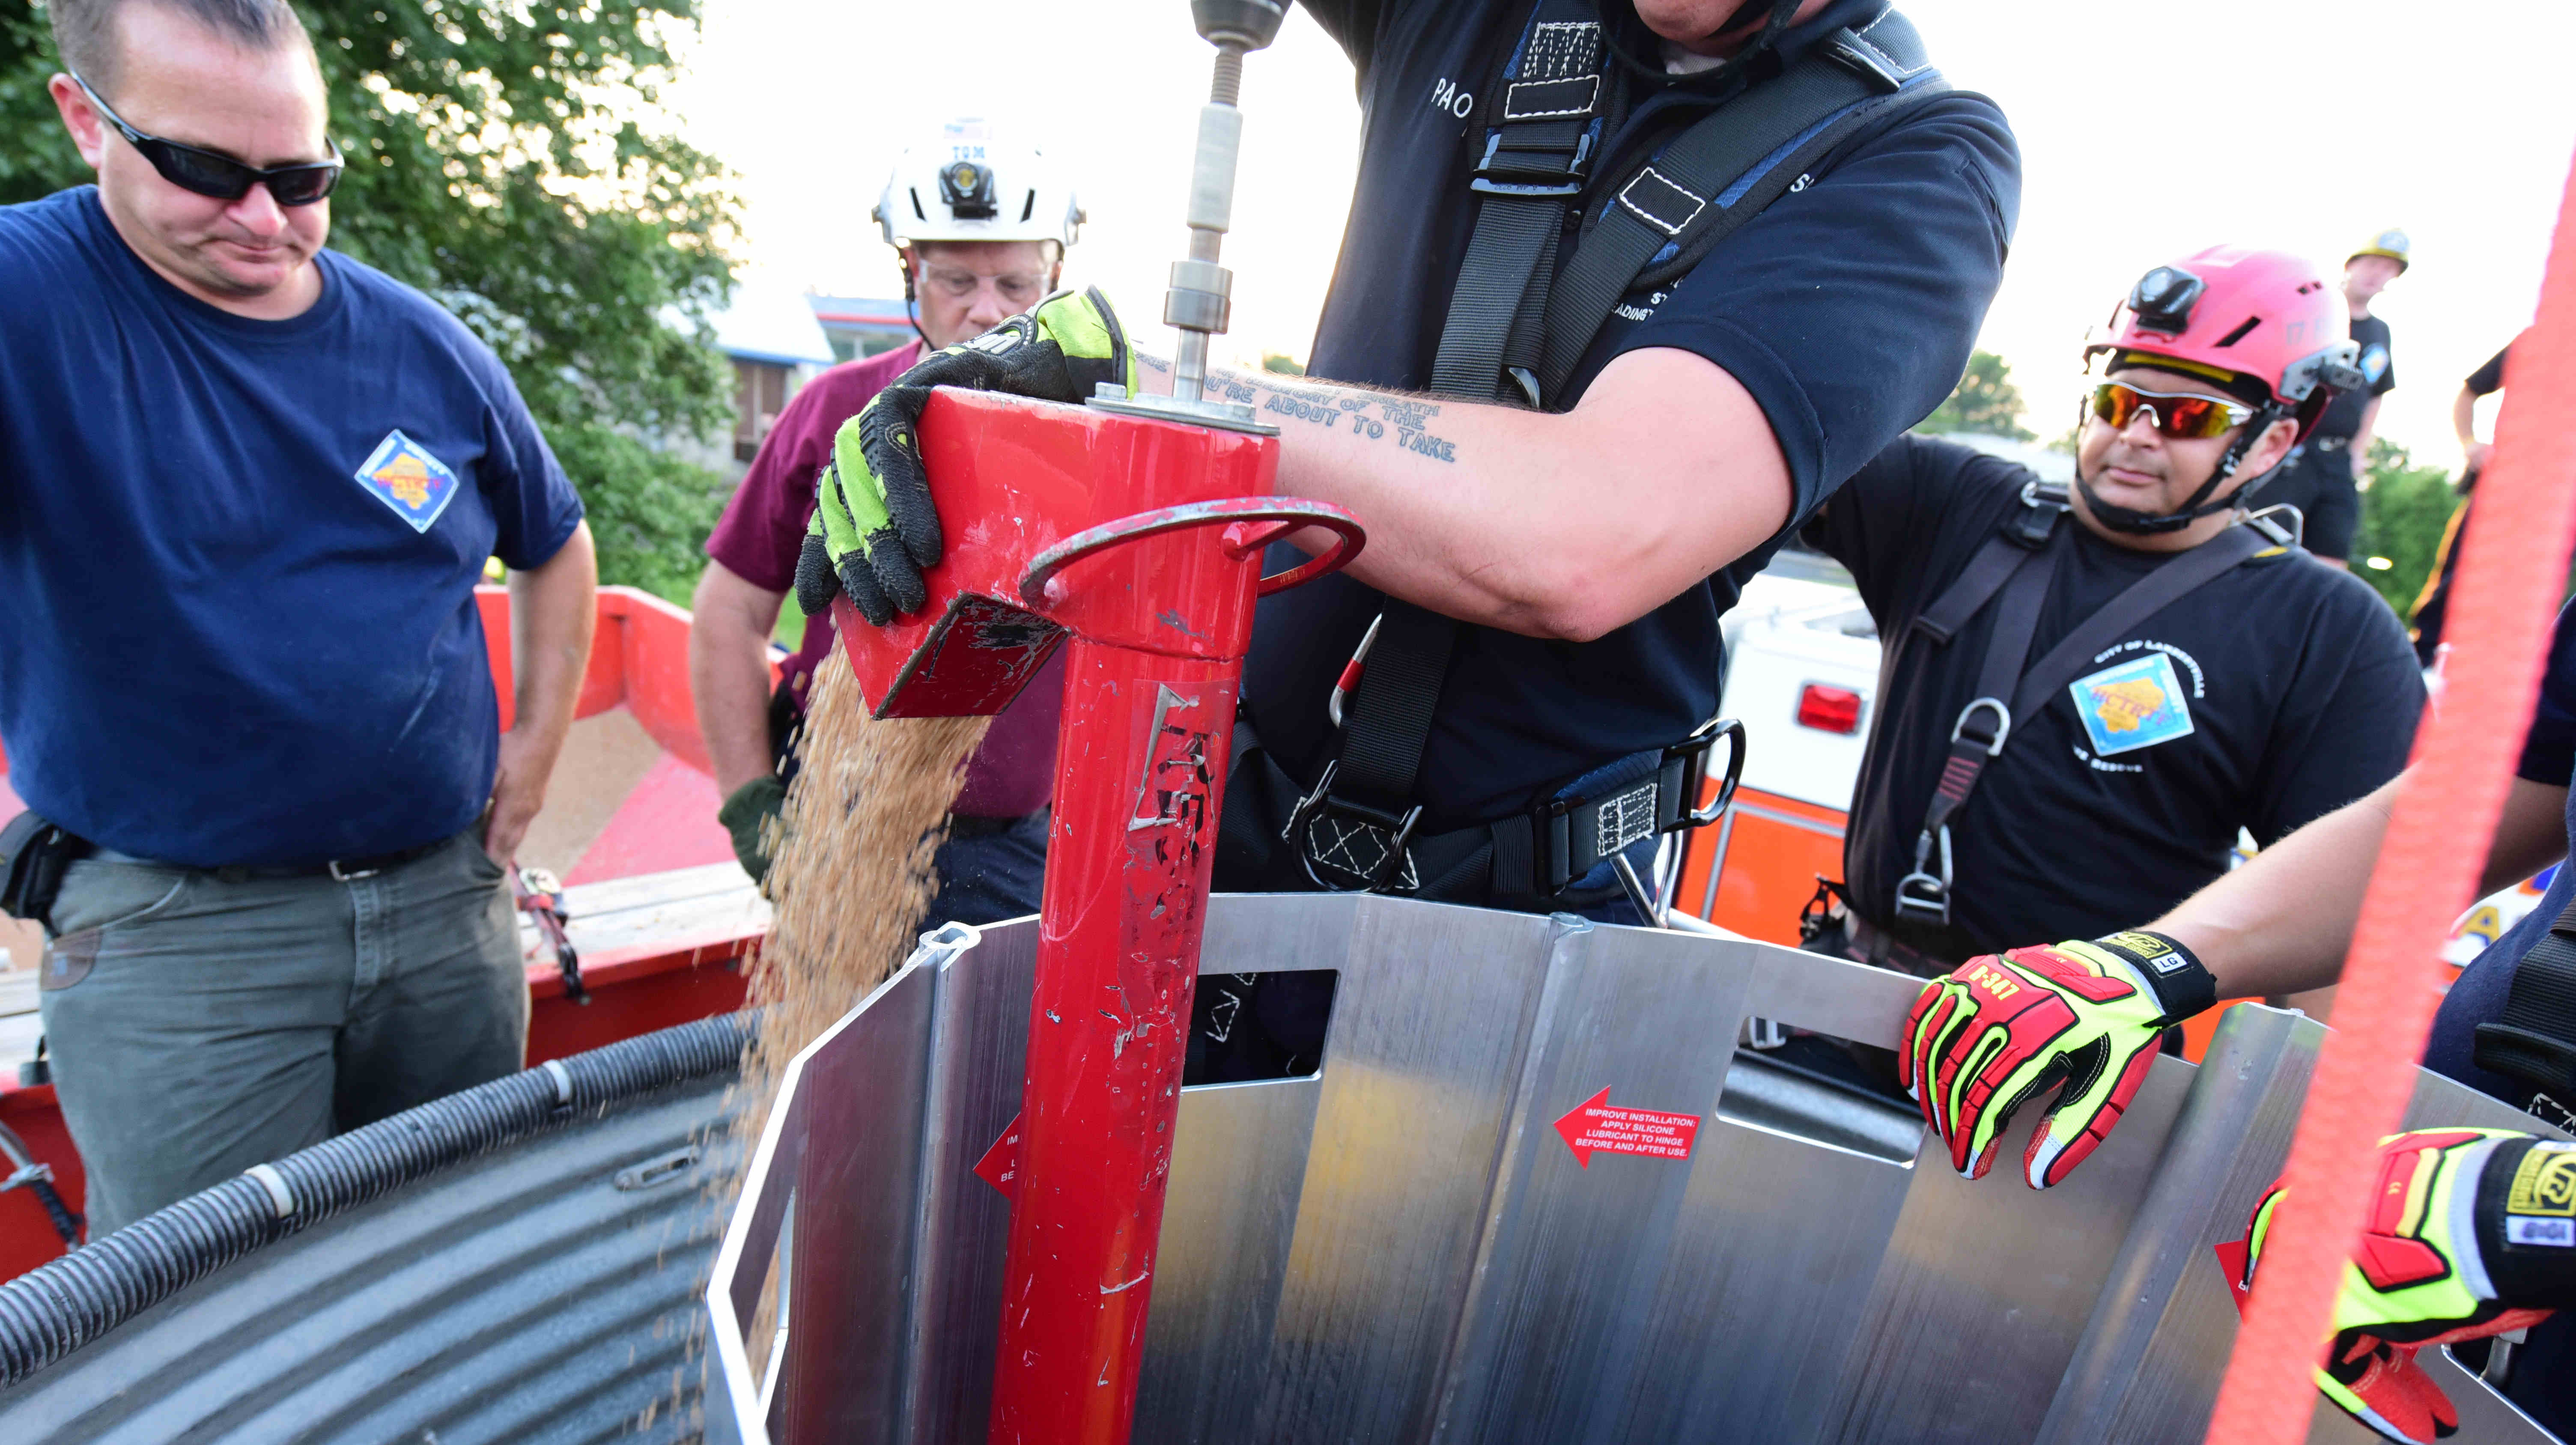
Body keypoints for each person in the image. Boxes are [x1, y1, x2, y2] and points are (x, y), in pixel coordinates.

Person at [799, 2, 2018, 999]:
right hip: (1207, 835)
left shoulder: (1913, 165)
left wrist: (1135, 391)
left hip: (1514, 940)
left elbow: (1582, 538)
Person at [0, 0, 594, 1233]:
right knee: (202, 1331)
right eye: (207, 173)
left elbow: (555, 540)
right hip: (181, 935)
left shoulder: (422, 347)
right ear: (81, 119)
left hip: (446, 909)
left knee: (449, 1255)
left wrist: (529, 764)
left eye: (300, 176)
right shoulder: (27, 300)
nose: (265, 219)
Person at [1901, 593, 2576, 1445]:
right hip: (2427, 1262)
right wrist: (2151, 963)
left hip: (2484, 1236)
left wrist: (2552, 1211)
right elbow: (2468, 810)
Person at [1796, 248, 2422, 1052]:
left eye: (2187, 416)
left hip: (2074, 1080)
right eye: (2118, 400)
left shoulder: (2327, 634)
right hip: (1851, 1009)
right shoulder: (1952, 510)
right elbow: (1755, 440)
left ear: (2272, 445)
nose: (2135, 435)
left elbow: (2343, 938)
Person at [690, 118, 1078, 925]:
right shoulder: (830, 411)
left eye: (1015, 285)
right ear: (910, 272)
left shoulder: (1098, 441)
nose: (984, 313)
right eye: (955, 282)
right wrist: (749, 801)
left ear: (1058, 277)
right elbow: (727, 613)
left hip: (1019, 845)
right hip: (836, 815)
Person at [2246, 229, 2406, 567]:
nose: (2378, 274)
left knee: (2332, 561)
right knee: (2260, 549)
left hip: (2337, 462)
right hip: (2292, 452)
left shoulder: (2380, 332)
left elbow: (2377, 394)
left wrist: (2359, 451)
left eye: (2388, 268)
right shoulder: (2315, 312)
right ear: (2352, 265)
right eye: (2373, 263)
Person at [2407, 331, 2523, 662]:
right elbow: (2469, 392)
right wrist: (2470, 445)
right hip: (2504, 484)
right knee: (2459, 579)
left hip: (2562, 502)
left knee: (2524, 596)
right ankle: (2423, 665)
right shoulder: (2541, 339)